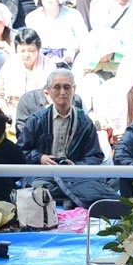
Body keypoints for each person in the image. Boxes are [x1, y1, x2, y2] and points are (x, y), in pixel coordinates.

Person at [16, 67, 114, 209]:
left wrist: (76, 167)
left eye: (67, 87)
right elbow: (20, 151)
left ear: (74, 89)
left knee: (100, 182)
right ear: (49, 91)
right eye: (57, 87)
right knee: (38, 187)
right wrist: (40, 158)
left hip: (76, 176)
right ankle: (70, 196)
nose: (62, 92)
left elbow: (95, 156)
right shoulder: (37, 120)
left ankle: (62, 196)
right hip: (44, 174)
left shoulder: (84, 121)